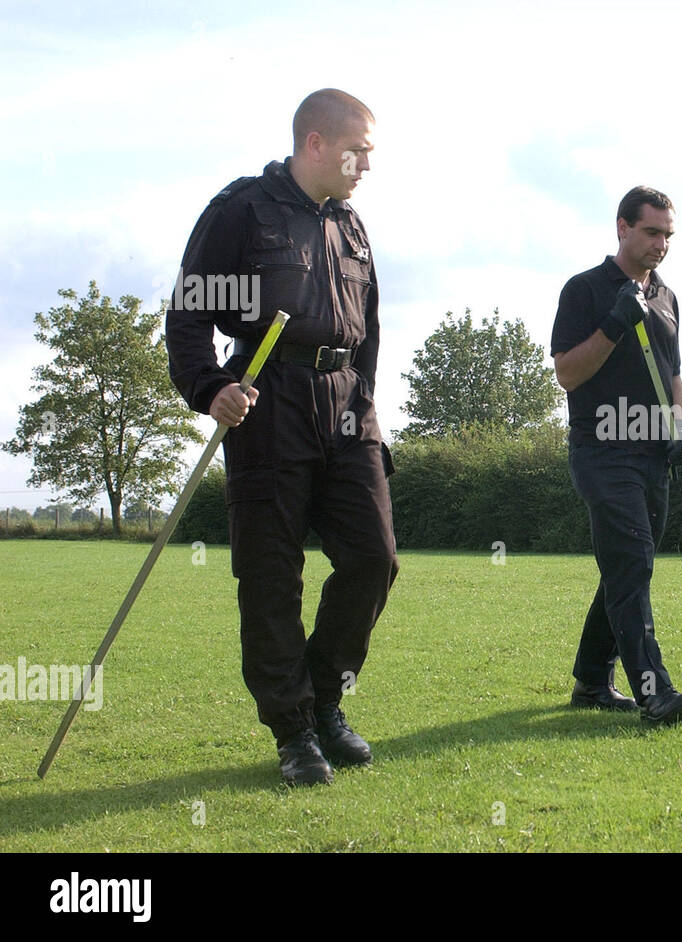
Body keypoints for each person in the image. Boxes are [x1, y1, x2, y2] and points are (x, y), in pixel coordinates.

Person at [166, 89, 399, 786]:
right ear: (316, 143)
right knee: (272, 579)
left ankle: (327, 701)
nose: (366, 165)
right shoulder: (242, 210)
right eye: (358, 150)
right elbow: (187, 317)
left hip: (347, 409)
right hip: (269, 404)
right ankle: (295, 733)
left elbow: (371, 333)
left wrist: (367, 409)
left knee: (374, 560)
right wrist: (210, 389)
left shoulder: (353, 228)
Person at [550, 186, 682, 726]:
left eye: (668, 235)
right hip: (602, 450)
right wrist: (614, 323)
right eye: (652, 232)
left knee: (627, 568)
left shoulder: (668, 296)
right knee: (632, 563)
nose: (661, 243)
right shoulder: (585, 290)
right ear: (622, 227)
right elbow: (567, 373)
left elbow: (674, 373)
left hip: (654, 452)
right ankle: (654, 690)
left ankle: (592, 681)